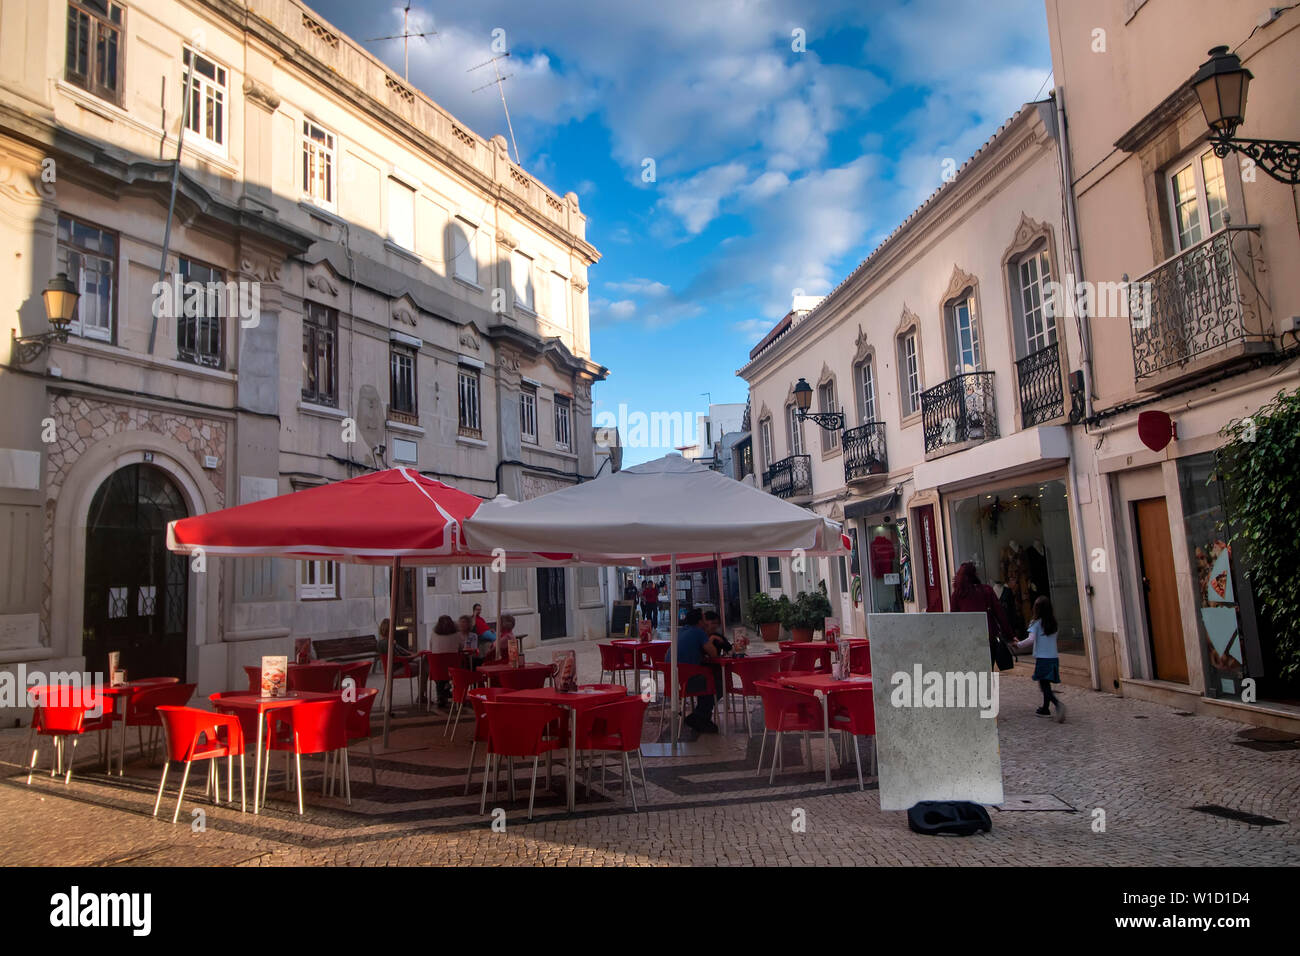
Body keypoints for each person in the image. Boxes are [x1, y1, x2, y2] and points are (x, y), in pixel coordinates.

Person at [949, 562, 1015, 669]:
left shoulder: (957, 595)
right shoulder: (986, 590)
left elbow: (954, 621)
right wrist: (1010, 635)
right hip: (988, 638)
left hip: (968, 641)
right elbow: (1000, 614)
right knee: (988, 670)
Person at [1010, 596, 1065, 722]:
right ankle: (1045, 708)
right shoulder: (1054, 623)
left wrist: (1017, 645)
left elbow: (1031, 640)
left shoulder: (1036, 624)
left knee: (1044, 686)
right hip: (1053, 658)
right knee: (1047, 684)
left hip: (1042, 659)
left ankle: (1058, 704)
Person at [676, 608, 719, 733]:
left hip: (675, 677)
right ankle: (700, 716)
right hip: (688, 677)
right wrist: (710, 637)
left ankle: (700, 715)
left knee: (707, 679)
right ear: (700, 622)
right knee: (716, 683)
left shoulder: (682, 631)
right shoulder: (699, 632)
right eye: (705, 619)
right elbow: (714, 653)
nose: (707, 622)